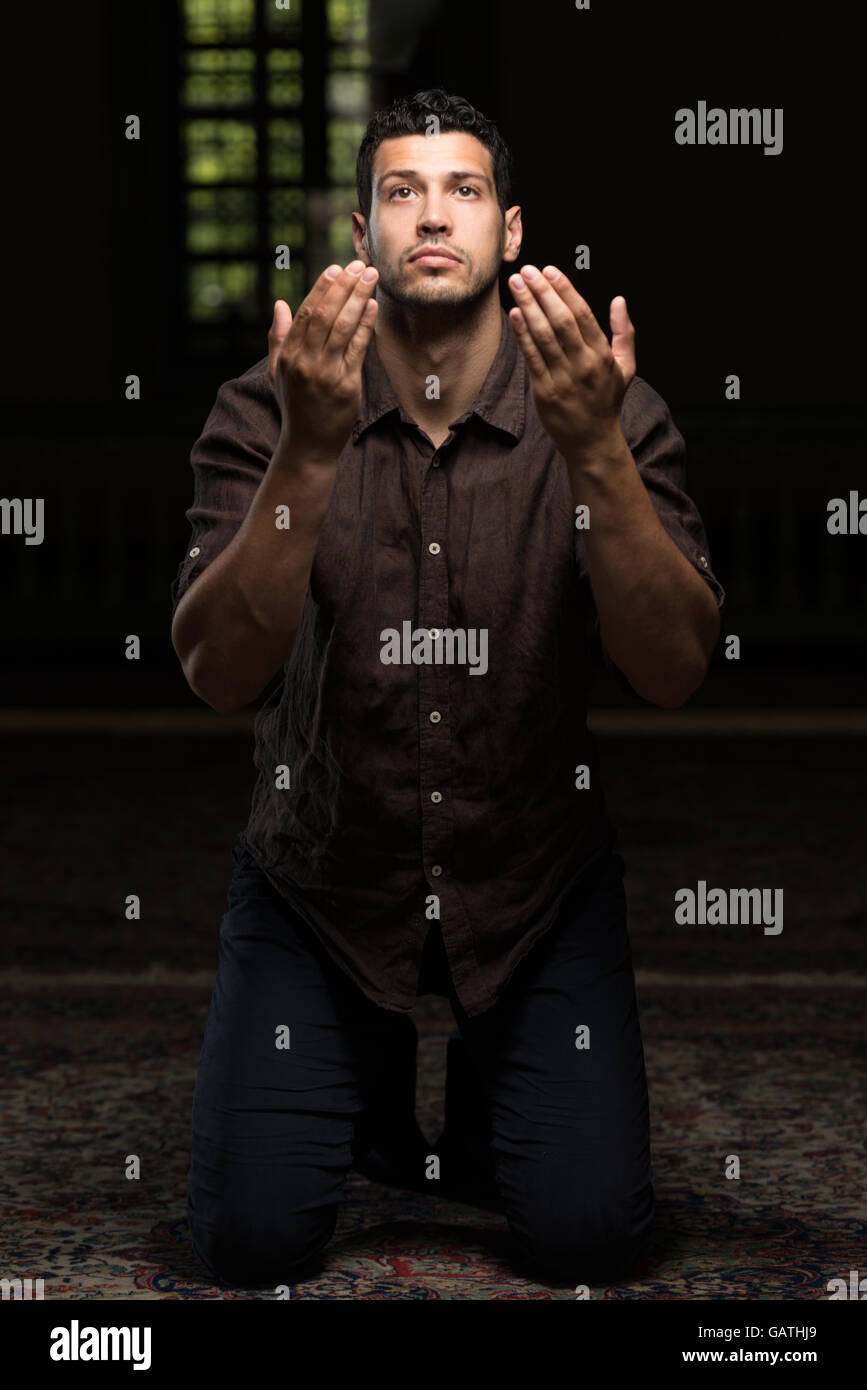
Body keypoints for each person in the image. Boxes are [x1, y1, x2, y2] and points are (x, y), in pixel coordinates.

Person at [171, 88, 725, 1288]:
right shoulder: (269, 405)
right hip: (320, 883)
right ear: (363, 231)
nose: (433, 214)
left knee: (591, 1237)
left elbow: (675, 667)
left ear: (512, 230)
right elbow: (218, 672)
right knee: (247, 1245)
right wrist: (310, 449)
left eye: (463, 190)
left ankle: (482, 1083)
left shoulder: (603, 407)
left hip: (531, 887)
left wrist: (596, 453)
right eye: (402, 191)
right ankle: (364, 1064)